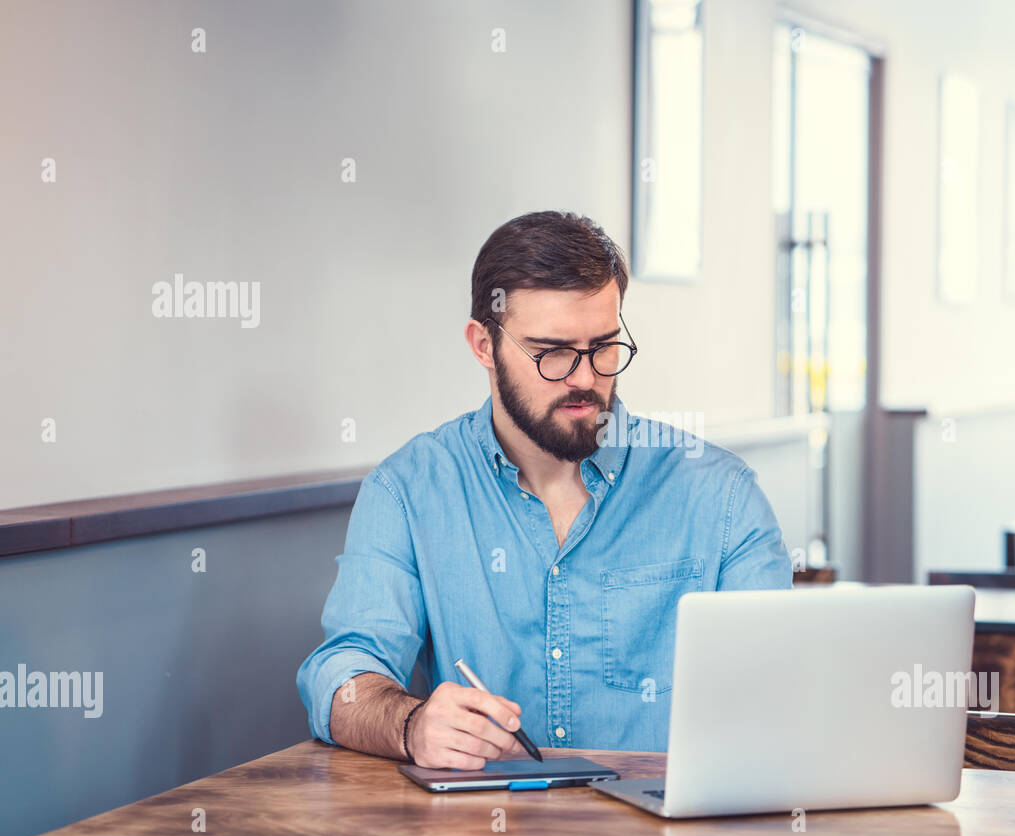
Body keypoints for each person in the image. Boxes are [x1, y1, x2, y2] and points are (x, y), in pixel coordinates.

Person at [296, 210, 792, 768]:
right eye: (552, 351)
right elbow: (341, 675)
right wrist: (410, 724)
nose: (585, 378)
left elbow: (776, 695)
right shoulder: (409, 490)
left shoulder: (720, 497)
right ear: (484, 345)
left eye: (603, 346)